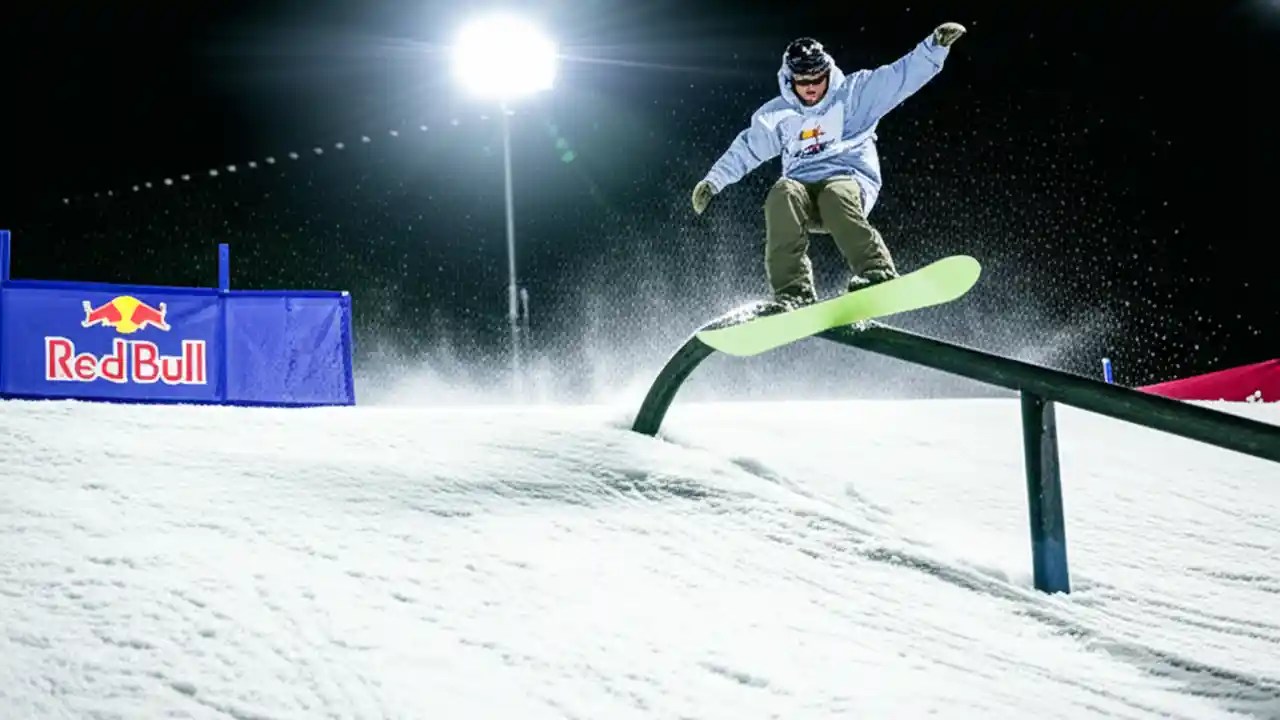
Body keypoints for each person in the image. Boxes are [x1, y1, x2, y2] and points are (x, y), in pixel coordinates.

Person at [691, 23, 967, 311]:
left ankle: (877, 272)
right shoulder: (777, 115)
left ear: (828, 73)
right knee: (782, 192)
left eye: (817, 79)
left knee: (834, 194)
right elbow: (747, 149)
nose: (811, 88)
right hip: (803, 191)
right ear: (789, 80)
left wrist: (934, 46)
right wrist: (713, 182)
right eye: (802, 81)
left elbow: (900, 77)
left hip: (849, 179)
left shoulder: (855, 94)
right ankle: (793, 292)